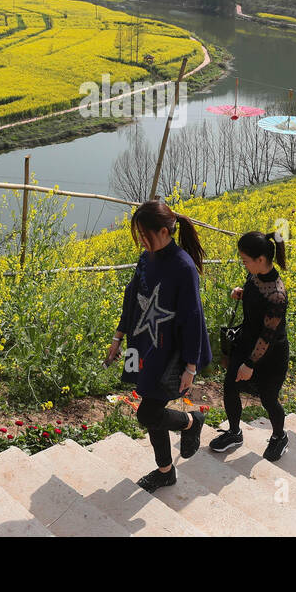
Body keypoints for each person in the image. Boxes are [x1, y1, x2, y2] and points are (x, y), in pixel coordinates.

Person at [105, 200, 212, 493]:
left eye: (145, 234)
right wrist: (118, 337)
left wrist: (191, 366)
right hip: (145, 346)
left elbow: (192, 318)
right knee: (151, 407)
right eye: (138, 234)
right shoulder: (146, 258)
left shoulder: (183, 266)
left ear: (164, 231)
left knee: (148, 413)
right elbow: (131, 298)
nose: (141, 240)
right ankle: (165, 471)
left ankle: (191, 421)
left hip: (171, 354)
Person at [210, 231, 290, 462]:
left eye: (245, 260)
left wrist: (249, 364)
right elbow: (255, 297)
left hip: (270, 354)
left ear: (261, 259)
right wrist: (241, 293)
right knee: (230, 386)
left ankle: (279, 436)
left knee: (268, 399)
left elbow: (267, 336)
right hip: (246, 342)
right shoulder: (255, 275)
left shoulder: (277, 294)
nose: (243, 264)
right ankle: (235, 432)